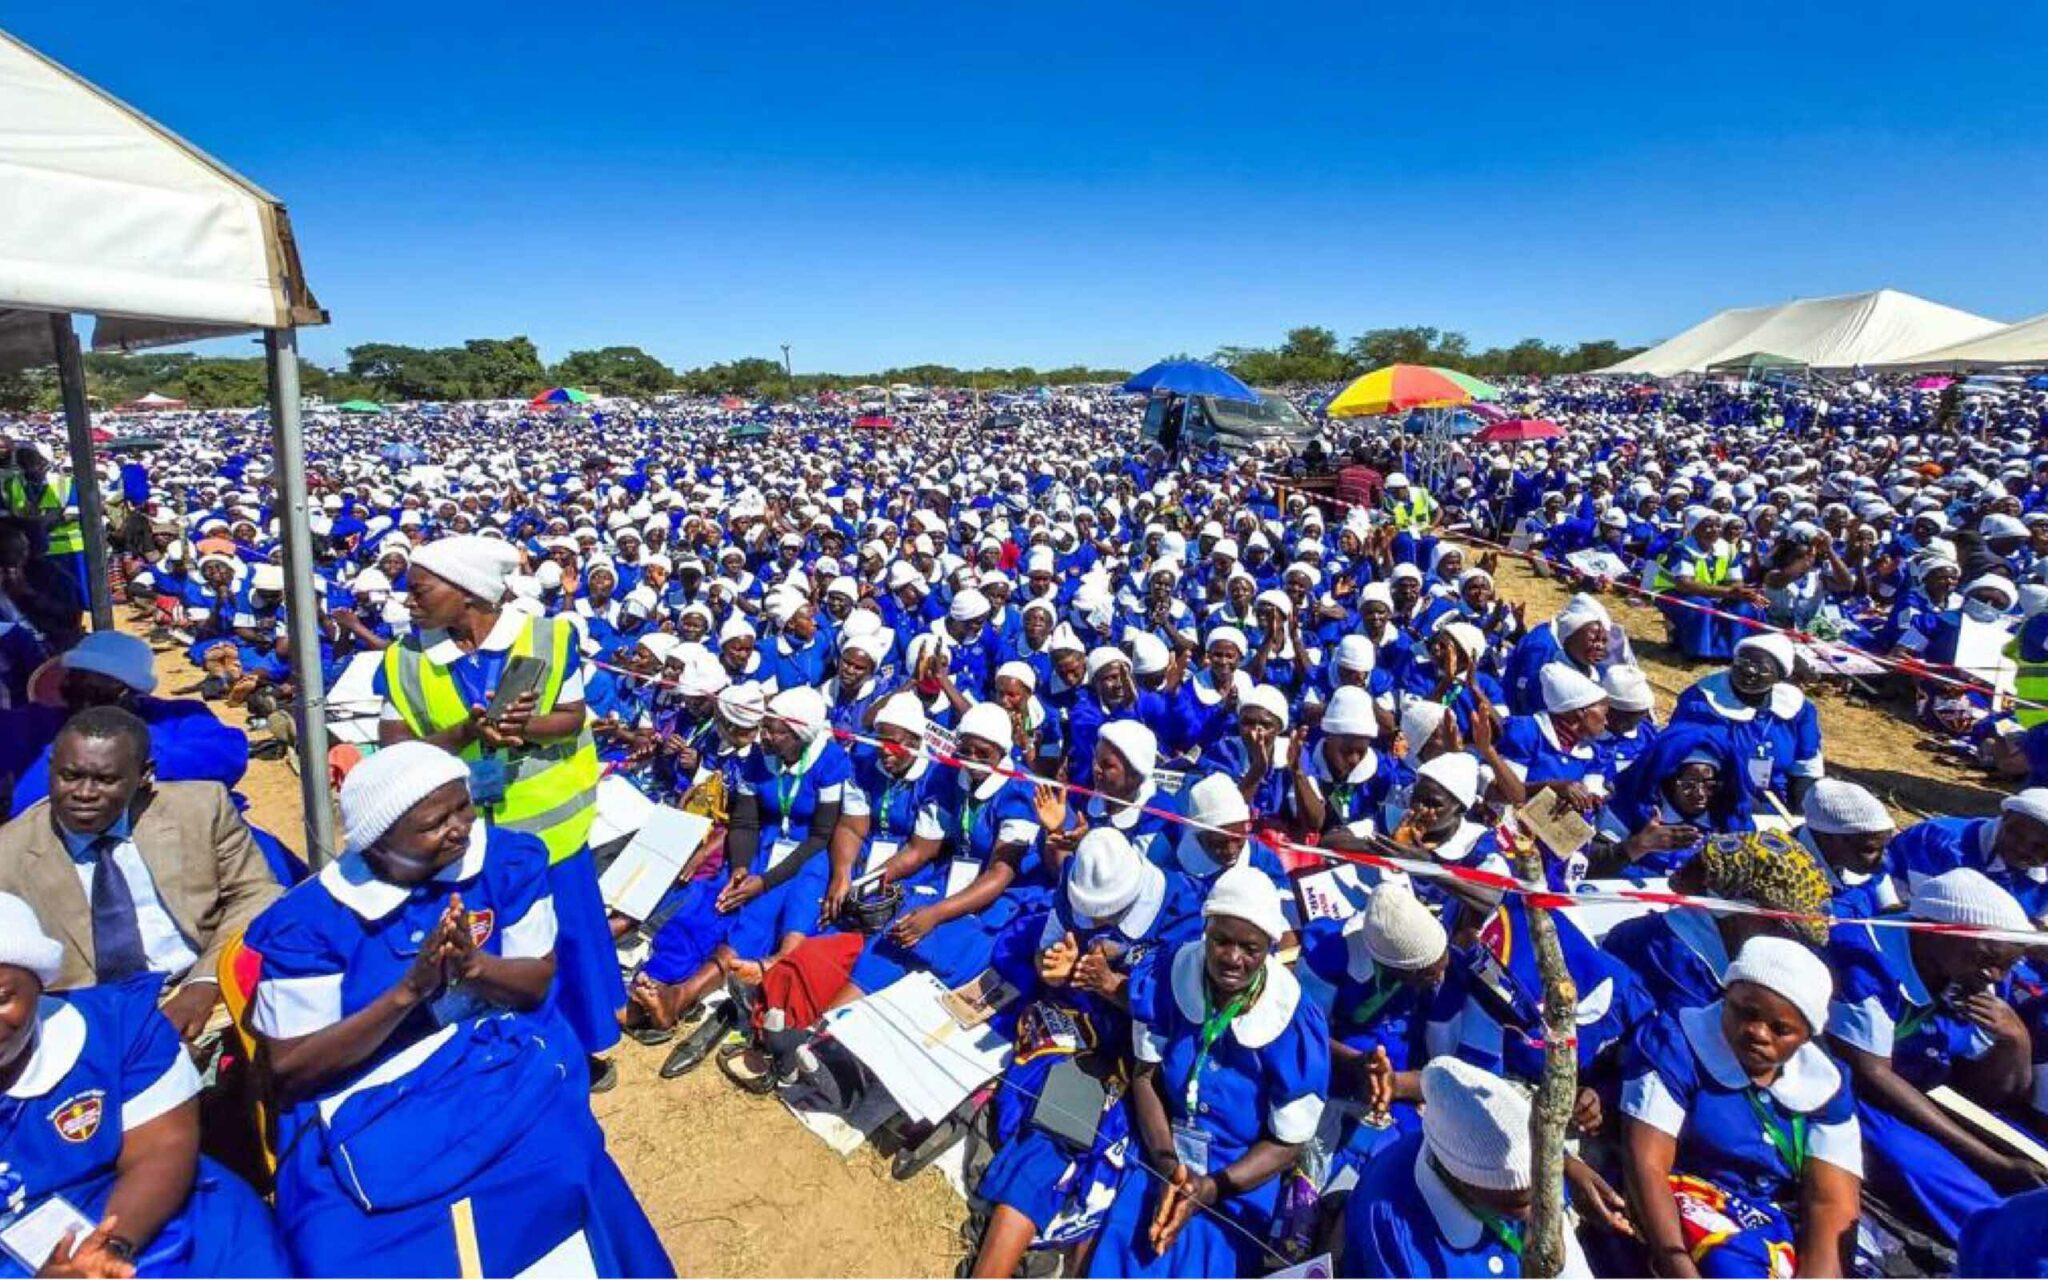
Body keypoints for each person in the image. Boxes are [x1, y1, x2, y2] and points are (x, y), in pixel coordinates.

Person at [242, 743, 671, 1278]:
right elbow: (293, 1070)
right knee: (339, 1249)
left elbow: (536, 983)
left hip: (496, 1061)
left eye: (462, 808)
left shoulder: (506, 862)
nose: (459, 828)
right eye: (434, 823)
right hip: (362, 1097)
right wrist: (408, 993)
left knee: (566, 1167)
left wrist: (475, 968)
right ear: (378, 842)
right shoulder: (311, 923)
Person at [374, 534, 618, 1074]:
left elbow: (571, 716)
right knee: (490, 945)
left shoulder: (550, 638)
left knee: (566, 938)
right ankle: (511, 1047)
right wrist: (467, 731)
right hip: (461, 836)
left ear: (467, 593)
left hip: (549, 832)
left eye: (419, 589)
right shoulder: (405, 658)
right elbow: (393, 745)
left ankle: (579, 1044)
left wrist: (521, 727)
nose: (408, 600)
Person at [0, 891, 288, 1278]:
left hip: (151, 1212)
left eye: (2, 997)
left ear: (39, 981)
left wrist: (106, 1250)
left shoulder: (116, 1028)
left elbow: (162, 1149)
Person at [1087, 865, 1330, 1277]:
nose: (1233, 959)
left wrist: (1209, 1188)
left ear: (1269, 947)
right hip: (1164, 1143)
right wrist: (1168, 1169)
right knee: (1126, 1249)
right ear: (1206, 930)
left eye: (1250, 949)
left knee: (1206, 1260)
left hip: (1239, 1170)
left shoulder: (1292, 1021)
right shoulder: (1170, 974)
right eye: (1222, 941)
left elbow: (1287, 1144)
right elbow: (1145, 1077)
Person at [0, 707, 280, 1043]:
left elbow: (256, 893)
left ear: (144, 775)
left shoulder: (201, 809)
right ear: (51, 770)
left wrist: (204, 983)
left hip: (198, 989)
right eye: (70, 776)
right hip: (87, 1022)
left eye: (105, 780)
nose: (84, 793)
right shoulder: (10, 855)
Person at [1620, 936, 1862, 1278]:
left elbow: (1831, 1203)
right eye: (1746, 1013)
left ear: (1806, 1036)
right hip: (1680, 1206)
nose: (1758, 1033)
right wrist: (1677, 1266)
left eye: (1781, 1030)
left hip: (1767, 1220)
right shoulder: (1676, 1043)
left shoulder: (1826, 1085)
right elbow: (1646, 1163)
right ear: (1726, 997)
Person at [1828, 868, 2044, 1246]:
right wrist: (1992, 1161)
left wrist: (2016, 1040)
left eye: (2006, 966)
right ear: (1935, 932)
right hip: (1855, 1094)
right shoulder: (1864, 958)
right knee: (1931, 1172)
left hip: (1927, 1092)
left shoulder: (1975, 975)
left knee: (2032, 1169)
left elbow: (1987, 1095)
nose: (1995, 974)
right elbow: (1871, 1075)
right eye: (1988, 959)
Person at [1339, 1056, 1593, 1276]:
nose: (1532, 1214)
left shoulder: (1492, 1164)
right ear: (1460, 1178)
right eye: (1515, 1206)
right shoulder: (1393, 1232)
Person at [1670, 633, 1824, 809]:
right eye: (1743, 662)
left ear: (1779, 677)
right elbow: (1686, 761)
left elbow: (1807, 765)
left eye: (1762, 668)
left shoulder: (1798, 709)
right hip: (1714, 801)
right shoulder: (1700, 702)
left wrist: (1801, 812)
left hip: (1777, 804)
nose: (1749, 671)